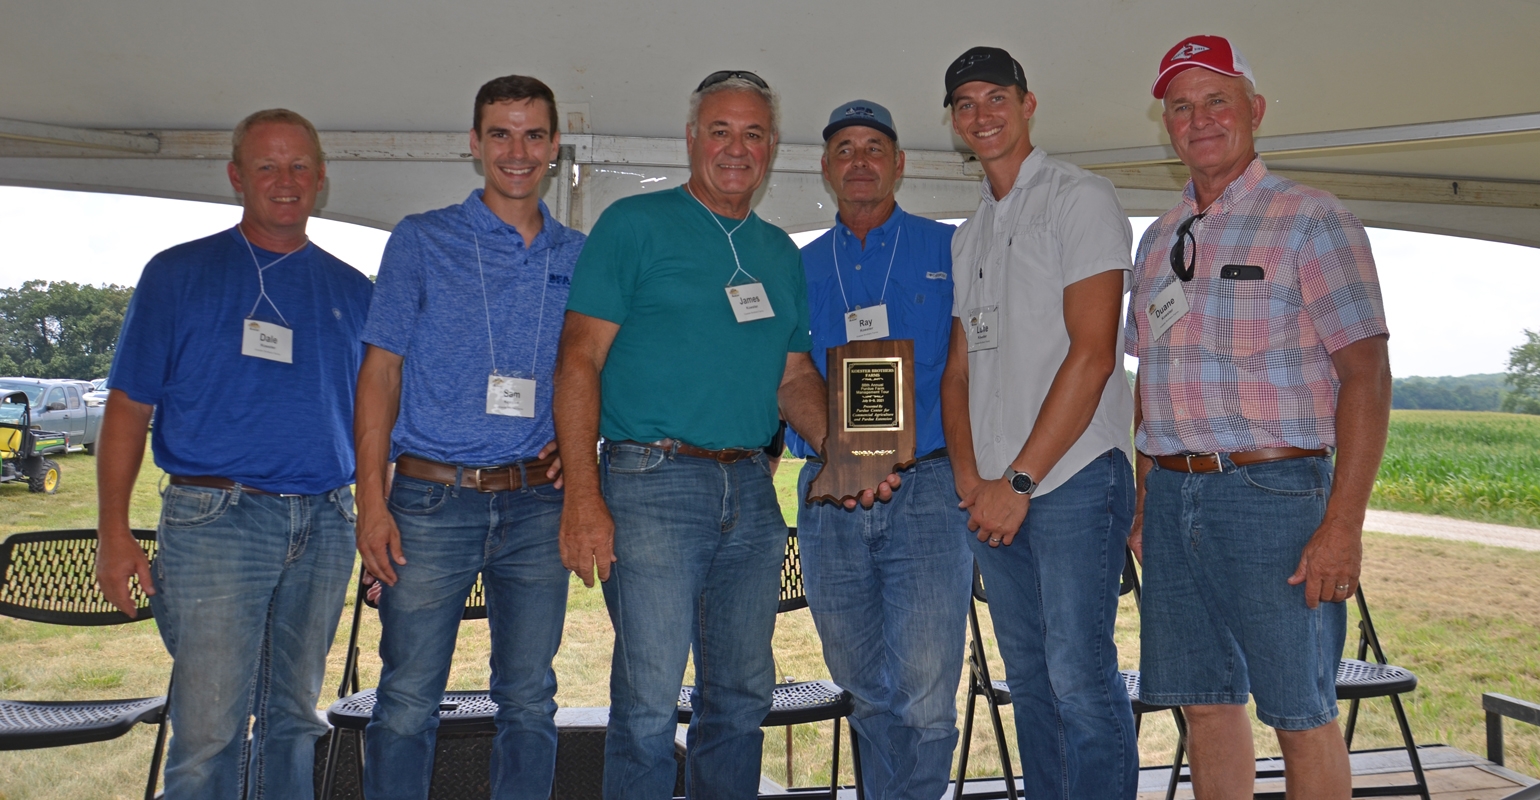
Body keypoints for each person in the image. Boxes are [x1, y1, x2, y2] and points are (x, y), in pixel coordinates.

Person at [554, 69, 891, 800]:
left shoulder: (776, 252)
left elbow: (794, 377)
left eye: (753, 134)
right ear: (691, 139)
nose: (737, 148)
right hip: (650, 481)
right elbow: (578, 357)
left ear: (771, 148)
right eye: (720, 130)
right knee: (646, 703)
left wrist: (848, 451)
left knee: (739, 698)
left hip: (751, 487)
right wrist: (583, 494)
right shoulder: (633, 225)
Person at [1127, 35, 1391, 799]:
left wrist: (1343, 524)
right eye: (1182, 106)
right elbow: (1151, 378)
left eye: (1217, 101)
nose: (1199, 119)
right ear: (1166, 123)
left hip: (1275, 496)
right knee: (1204, 706)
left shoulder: (1312, 219)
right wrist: (1147, 498)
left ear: (1255, 111)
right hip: (1175, 496)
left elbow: (1366, 376)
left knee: (1300, 712)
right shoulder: (1156, 239)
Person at [95, 108, 374, 798]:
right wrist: (111, 531)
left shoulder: (355, 291)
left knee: (293, 723)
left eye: (300, 165)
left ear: (322, 178)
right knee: (210, 731)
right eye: (268, 166)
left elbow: (380, 425)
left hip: (326, 525)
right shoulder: (179, 273)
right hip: (216, 522)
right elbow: (128, 407)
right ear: (236, 178)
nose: (286, 180)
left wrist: (381, 521)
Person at [352, 75, 583, 800]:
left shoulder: (580, 254)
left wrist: (584, 447)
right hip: (428, 499)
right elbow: (379, 372)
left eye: (533, 134)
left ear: (554, 146)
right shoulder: (421, 239)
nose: (517, 151)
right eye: (501, 134)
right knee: (409, 700)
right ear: (474, 143)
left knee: (529, 699)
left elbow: (602, 366)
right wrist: (370, 502)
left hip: (536, 502)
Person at [938, 46, 1140, 798]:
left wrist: (1019, 479)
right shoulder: (969, 231)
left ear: (1028, 104)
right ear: (954, 122)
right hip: (992, 491)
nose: (981, 115)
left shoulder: (1078, 198)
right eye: (965, 104)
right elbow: (958, 370)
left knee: (1079, 676)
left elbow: (1093, 356)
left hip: (1072, 479)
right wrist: (971, 478)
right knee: (1028, 678)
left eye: (996, 98)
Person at [782, 99, 971, 799]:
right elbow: (788, 374)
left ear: (899, 162)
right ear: (826, 166)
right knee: (864, 688)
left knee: (924, 693)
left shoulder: (949, 250)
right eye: (844, 149)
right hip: (831, 494)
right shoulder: (796, 265)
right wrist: (844, 455)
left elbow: (973, 366)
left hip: (926, 491)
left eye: (874, 148)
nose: (859, 161)